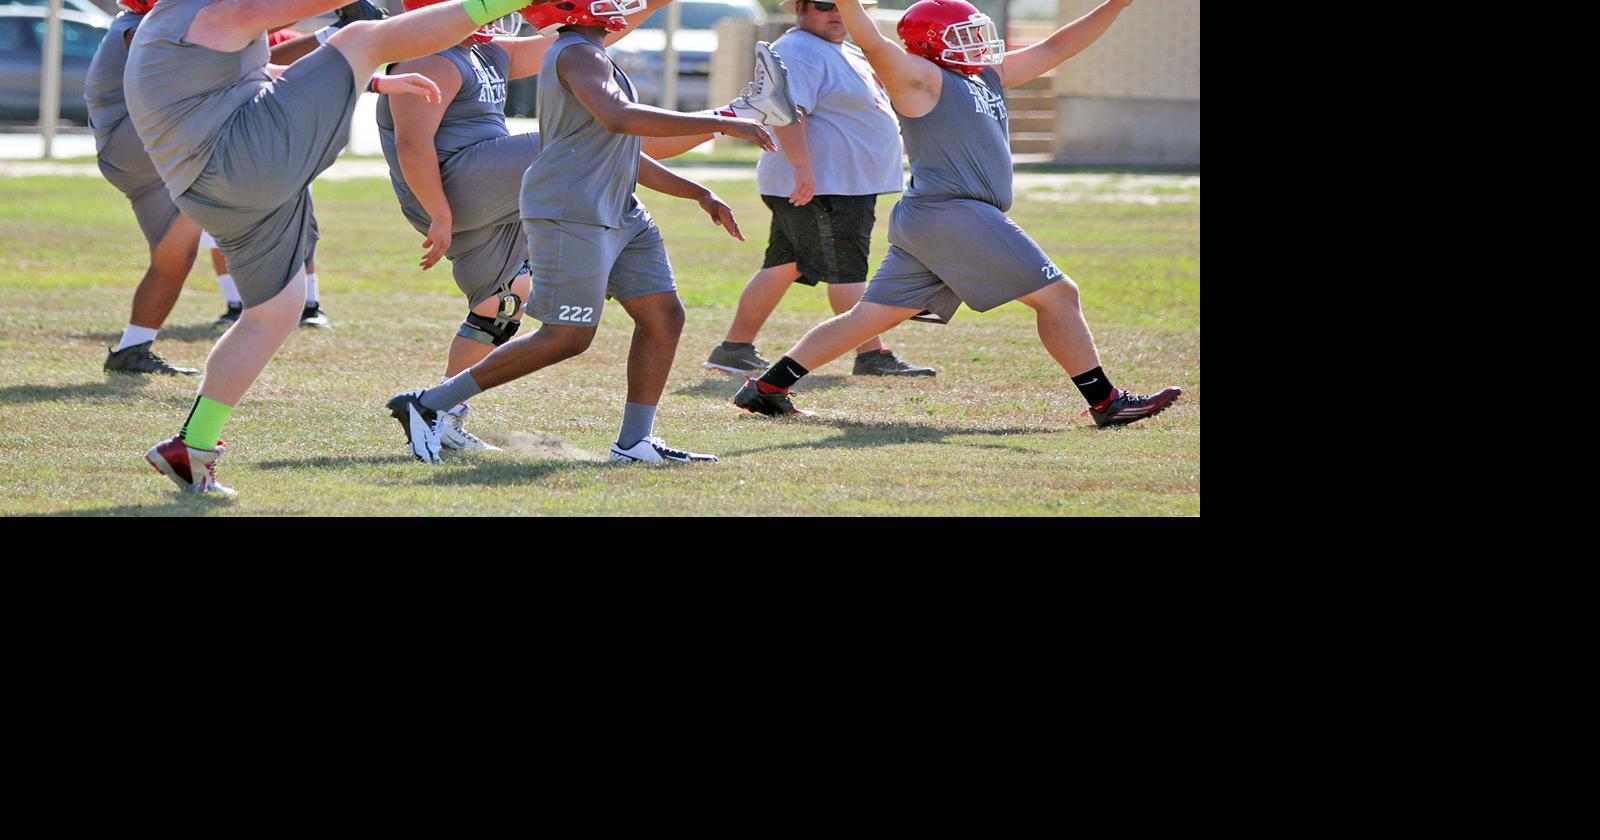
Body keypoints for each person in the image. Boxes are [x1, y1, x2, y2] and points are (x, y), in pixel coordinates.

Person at [132, 0, 550, 495]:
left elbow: (251, 72)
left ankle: (192, 445)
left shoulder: (184, 29)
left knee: (277, 311)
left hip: (213, 190)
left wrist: (374, 82)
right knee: (362, 37)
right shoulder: (204, 13)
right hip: (237, 160)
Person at [733, 0, 1181, 427]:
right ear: (930, 41)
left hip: (935, 216)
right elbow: (873, 43)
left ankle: (768, 387)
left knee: (869, 318)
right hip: (953, 212)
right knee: (1060, 295)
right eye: (964, 34)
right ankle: (1106, 402)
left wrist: (1115, 7)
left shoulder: (983, 75)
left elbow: (1056, 47)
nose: (977, 42)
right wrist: (848, 4)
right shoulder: (921, 77)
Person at [378, 0, 795, 451]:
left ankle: (443, 411)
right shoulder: (431, 56)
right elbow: (413, 146)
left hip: (493, 188)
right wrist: (439, 214)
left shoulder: (485, 49)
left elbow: (590, 38)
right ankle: (741, 111)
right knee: (571, 142)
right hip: (453, 189)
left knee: (498, 307)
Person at [91, 2, 383, 376]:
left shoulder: (154, 24)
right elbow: (253, 38)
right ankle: (282, 302)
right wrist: (337, 28)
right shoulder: (144, 29)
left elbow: (258, 56)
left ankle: (132, 348)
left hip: (145, 157)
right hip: (146, 146)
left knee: (173, 258)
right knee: (258, 174)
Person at [705, 0, 933, 379]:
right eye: (826, 5)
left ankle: (734, 349)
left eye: (848, 5)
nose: (837, 13)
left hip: (837, 183)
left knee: (785, 264)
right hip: (824, 186)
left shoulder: (841, 48)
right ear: (800, 7)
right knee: (847, 269)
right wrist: (803, 169)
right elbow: (787, 112)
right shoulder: (798, 50)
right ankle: (871, 354)